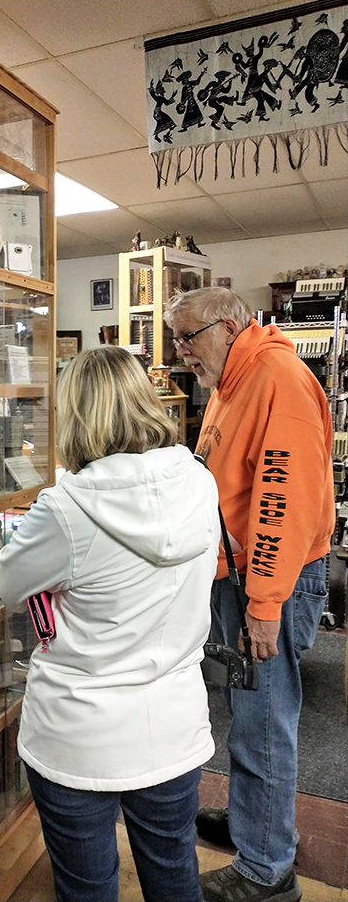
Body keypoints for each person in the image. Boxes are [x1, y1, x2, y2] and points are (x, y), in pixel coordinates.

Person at [0, 345, 220, 902]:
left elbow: (6, 581)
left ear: (74, 412)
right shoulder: (198, 478)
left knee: (86, 886)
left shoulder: (65, 507)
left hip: (79, 730)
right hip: (173, 720)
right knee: (173, 871)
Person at [164, 287, 334, 902]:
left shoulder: (276, 379)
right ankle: (252, 824)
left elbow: (280, 506)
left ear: (231, 325)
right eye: (175, 340)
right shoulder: (234, 376)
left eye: (189, 337)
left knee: (263, 720)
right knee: (248, 716)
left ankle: (267, 870)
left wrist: (262, 608)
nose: (181, 353)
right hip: (244, 577)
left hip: (270, 584)